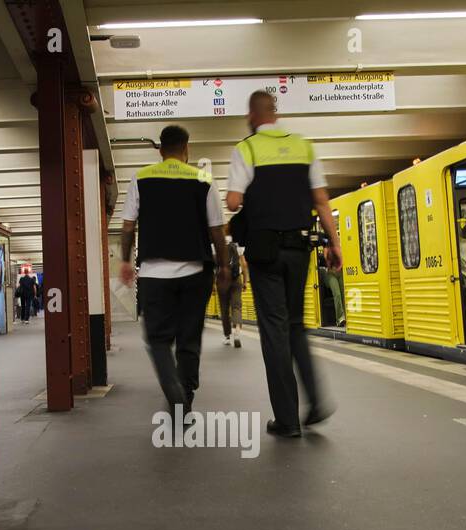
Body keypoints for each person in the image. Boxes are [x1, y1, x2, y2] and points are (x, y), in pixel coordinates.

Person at [225, 90, 339, 438]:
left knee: (274, 331)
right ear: (275, 113)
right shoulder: (304, 146)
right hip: (300, 248)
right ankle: (317, 402)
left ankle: (287, 419)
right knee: (295, 324)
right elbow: (321, 200)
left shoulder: (247, 148)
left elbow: (232, 202)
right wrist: (334, 243)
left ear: (251, 115)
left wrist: (253, 197)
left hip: (265, 252)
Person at [120, 124, 230, 414]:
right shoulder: (203, 179)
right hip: (195, 272)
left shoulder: (141, 178)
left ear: (160, 151)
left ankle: (174, 394)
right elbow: (217, 230)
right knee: (189, 338)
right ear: (186, 149)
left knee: (158, 340)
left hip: (154, 275)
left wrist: (124, 260)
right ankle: (187, 396)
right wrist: (224, 267)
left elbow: (128, 225)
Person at [221, 238, 244, 348]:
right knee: (236, 307)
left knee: (224, 308)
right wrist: (245, 281)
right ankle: (237, 333)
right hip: (236, 278)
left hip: (222, 279)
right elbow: (243, 264)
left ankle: (227, 337)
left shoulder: (217, 242)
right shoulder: (236, 244)